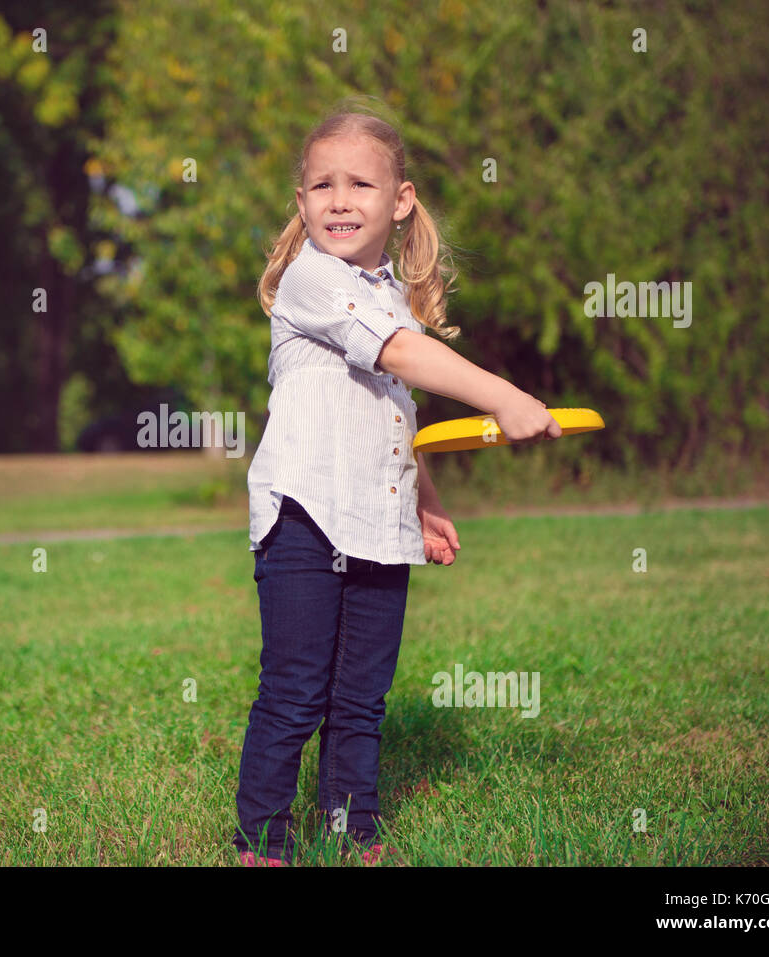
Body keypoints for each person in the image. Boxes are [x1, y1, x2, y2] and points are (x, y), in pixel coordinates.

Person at [234, 103, 560, 866]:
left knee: (359, 698)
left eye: (360, 184)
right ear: (302, 203)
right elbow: (404, 359)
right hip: (304, 519)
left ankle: (354, 834)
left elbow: (393, 409)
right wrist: (505, 396)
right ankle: (262, 844)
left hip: (376, 521)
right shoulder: (312, 278)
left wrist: (427, 499)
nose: (339, 199)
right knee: (294, 692)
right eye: (321, 185)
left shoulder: (389, 295)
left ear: (401, 200)